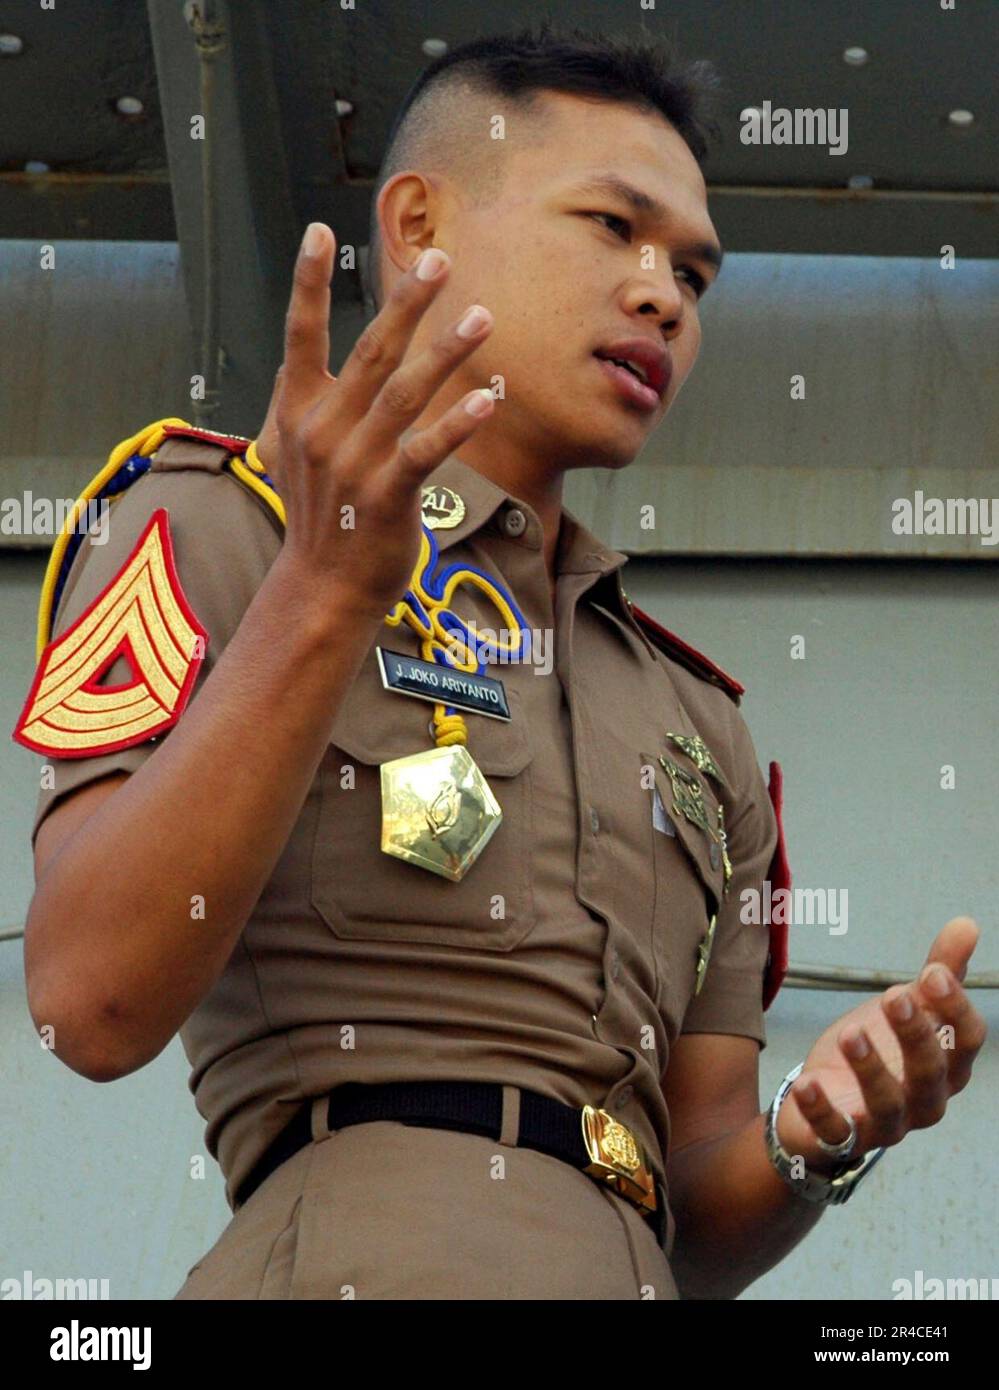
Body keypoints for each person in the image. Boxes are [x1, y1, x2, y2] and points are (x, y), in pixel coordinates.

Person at [15, 22, 986, 1300]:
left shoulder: (701, 727)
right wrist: (322, 594)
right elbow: (88, 1002)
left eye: (695, 274)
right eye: (611, 228)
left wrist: (823, 1135)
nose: (663, 295)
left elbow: (687, 1209)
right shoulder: (230, 523)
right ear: (418, 226)